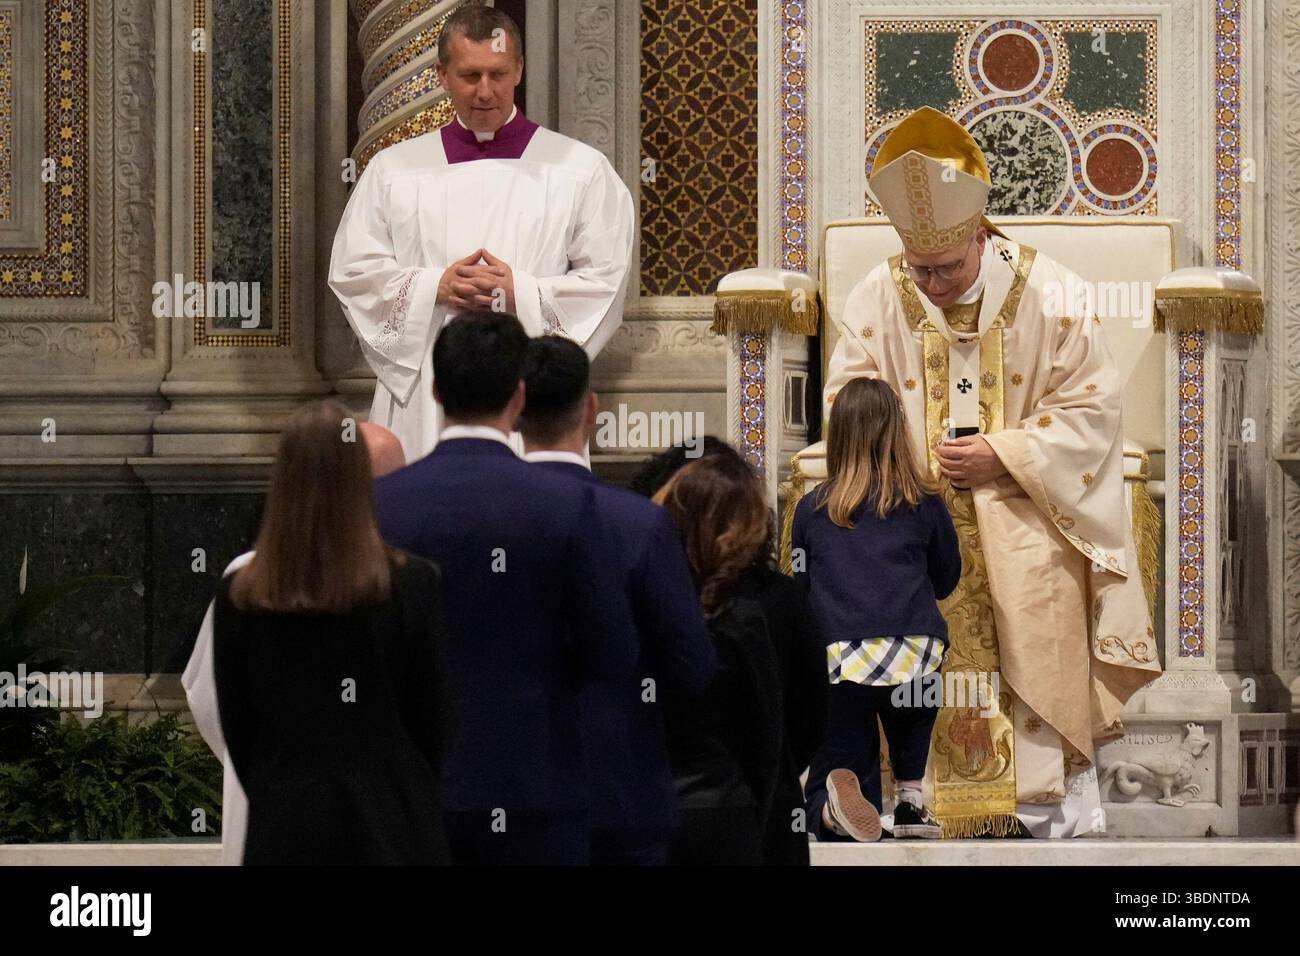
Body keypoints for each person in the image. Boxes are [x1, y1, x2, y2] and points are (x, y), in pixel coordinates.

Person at [823, 106, 1161, 837]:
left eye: (946, 268)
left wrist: (1003, 454)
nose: (933, 284)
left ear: (982, 234)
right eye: (921, 270)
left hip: (1027, 507)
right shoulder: (878, 296)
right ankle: (898, 801)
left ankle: (1042, 802)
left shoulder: (1055, 294)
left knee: (1035, 573)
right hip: (908, 513)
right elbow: (844, 403)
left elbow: (1095, 413)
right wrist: (911, 468)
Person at [374, 311, 640, 865]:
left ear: (437, 389)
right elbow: (612, 652)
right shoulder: (567, 504)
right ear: (520, 396)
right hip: (536, 789)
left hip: (408, 795)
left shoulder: (379, 505)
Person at [328, 5, 635, 461]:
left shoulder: (580, 169)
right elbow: (355, 273)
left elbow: (606, 283)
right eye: (470, 75)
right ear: (442, 75)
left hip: (525, 385)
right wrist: (435, 286)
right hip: (427, 383)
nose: (486, 92)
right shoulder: (393, 170)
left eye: (498, 74)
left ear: (519, 71)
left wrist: (520, 292)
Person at [208, 401, 452, 865]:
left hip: (285, 825)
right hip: (393, 824)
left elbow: (239, 730)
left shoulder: (242, 596)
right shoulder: (410, 583)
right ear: (362, 480)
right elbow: (434, 721)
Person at [517, 335, 719, 865]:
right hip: (618, 787)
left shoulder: (479, 515)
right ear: (591, 409)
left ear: (514, 408)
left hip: (502, 790)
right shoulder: (639, 522)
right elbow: (692, 665)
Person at [794, 378, 961, 842]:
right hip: (914, 648)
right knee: (914, 708)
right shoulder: (924, 502)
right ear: (897, 429)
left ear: (838, 432)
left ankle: (832, 811)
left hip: (842, 653)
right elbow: (948, 576)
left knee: (839, 757)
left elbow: (800, 584)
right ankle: (910, 800)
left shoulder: (812, 508)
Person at [654, 452, 827, 865]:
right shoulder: (776, 602)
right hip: (752, 808)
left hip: (662, 809)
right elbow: (805, 719)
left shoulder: (649, 597)